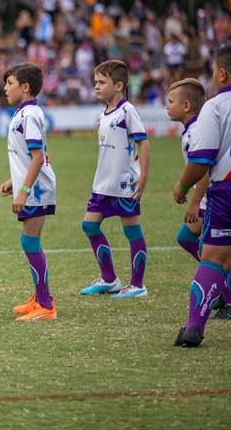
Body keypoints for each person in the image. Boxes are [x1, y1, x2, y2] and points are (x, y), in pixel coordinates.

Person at [173, 43, 231, 347]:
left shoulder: (215, 106)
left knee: (213, 261)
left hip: (229, 190)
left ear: (221, 73)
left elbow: (202, 159)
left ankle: (193, 329)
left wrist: (183, 188)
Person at [165, 78, 231, 320]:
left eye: (170, 102)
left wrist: (194, 201)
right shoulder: (191, 130)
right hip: (210, 196)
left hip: (214, 197)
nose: (166, 106)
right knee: (186, 237)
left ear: (186, 106)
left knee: (208, 248)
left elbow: (204, 168)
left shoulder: (197, 132)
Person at [80, 60, 151, 298]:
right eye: (95, 82)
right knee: (89, 225)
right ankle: (110, 279)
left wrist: (142, 176)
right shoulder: (104, 113)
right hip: (102, 184)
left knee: (132, 231)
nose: (96, 86)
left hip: (124, 184)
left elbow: (143, 143)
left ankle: (138, 285)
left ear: (119, 85)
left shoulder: (127, 111)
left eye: (102, 82)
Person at [0, 63, 57, 321]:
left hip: (37, 190)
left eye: (9, 83)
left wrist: (23, 190)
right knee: (28, 241)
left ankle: (45, 306)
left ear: (25, 87)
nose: (5, 88)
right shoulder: (23, 113)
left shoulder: (30, 115)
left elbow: (37, 157)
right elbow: (27, 157)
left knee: (30, 241)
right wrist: (14, 180)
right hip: (31, 186)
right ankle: (41, 298)